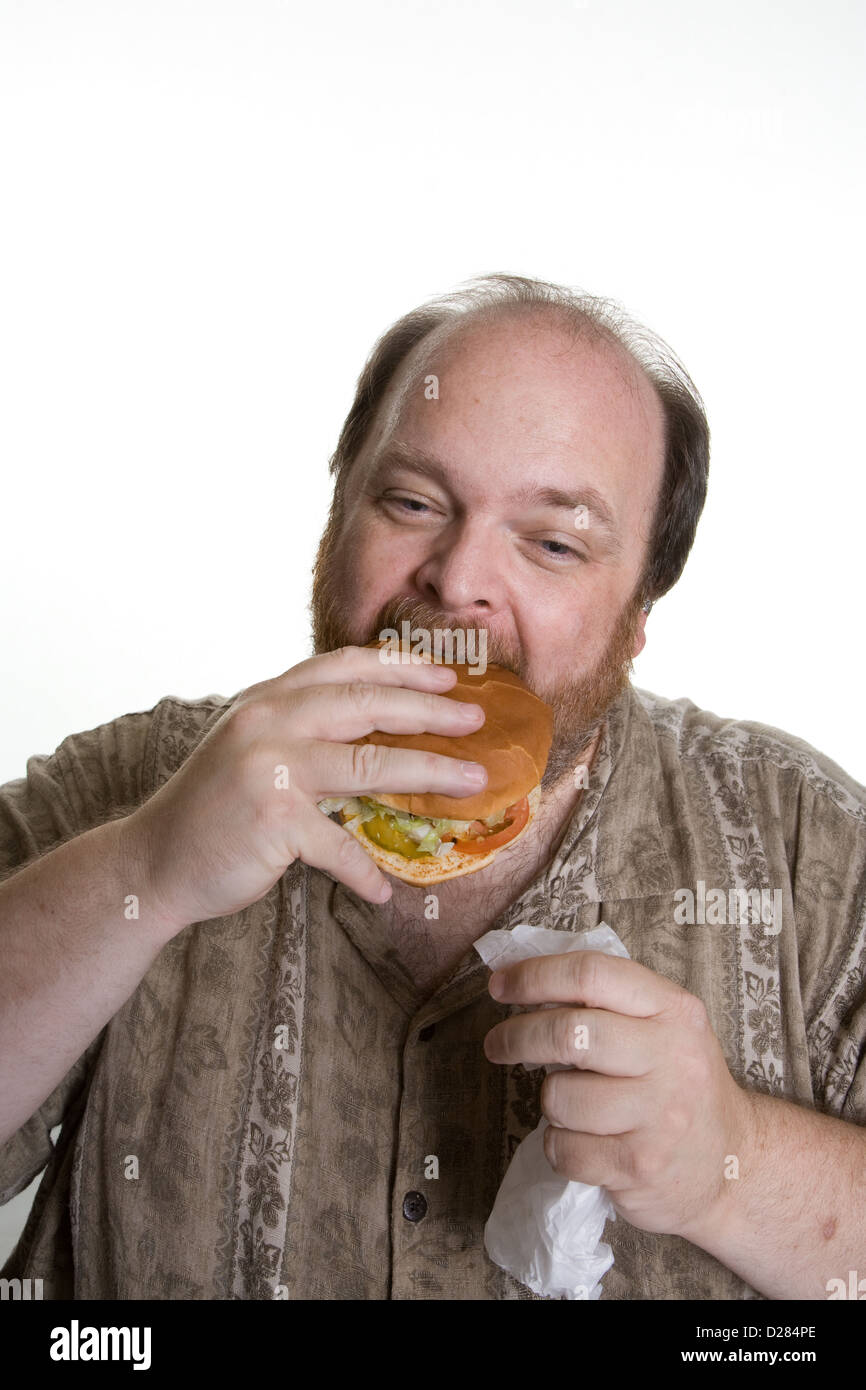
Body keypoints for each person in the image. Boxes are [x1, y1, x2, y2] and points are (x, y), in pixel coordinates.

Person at [1, 274, 863, 1301]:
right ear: (333, 523)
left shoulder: (806, 846)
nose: (456, 581)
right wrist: (142, 870)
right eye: (411, 502)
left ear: (638, 614)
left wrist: (732, 1167)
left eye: (551, 541)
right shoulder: (126, 788)